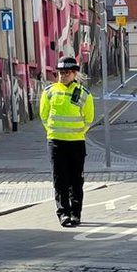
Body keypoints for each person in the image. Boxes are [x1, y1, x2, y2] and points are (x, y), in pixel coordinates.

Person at [40, 57, 95, 227]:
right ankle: (63, 214)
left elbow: (89, 118)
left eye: (66, 72)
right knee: (60, 180)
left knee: (76, 181)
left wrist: (77, 133)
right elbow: (43, 115)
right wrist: (52, 132)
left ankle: (76, 213)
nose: (62, 75)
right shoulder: (49, 92)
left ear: (74, 73)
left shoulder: (84, 94)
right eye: (60, 72)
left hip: (76, 143)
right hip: (56, 143)